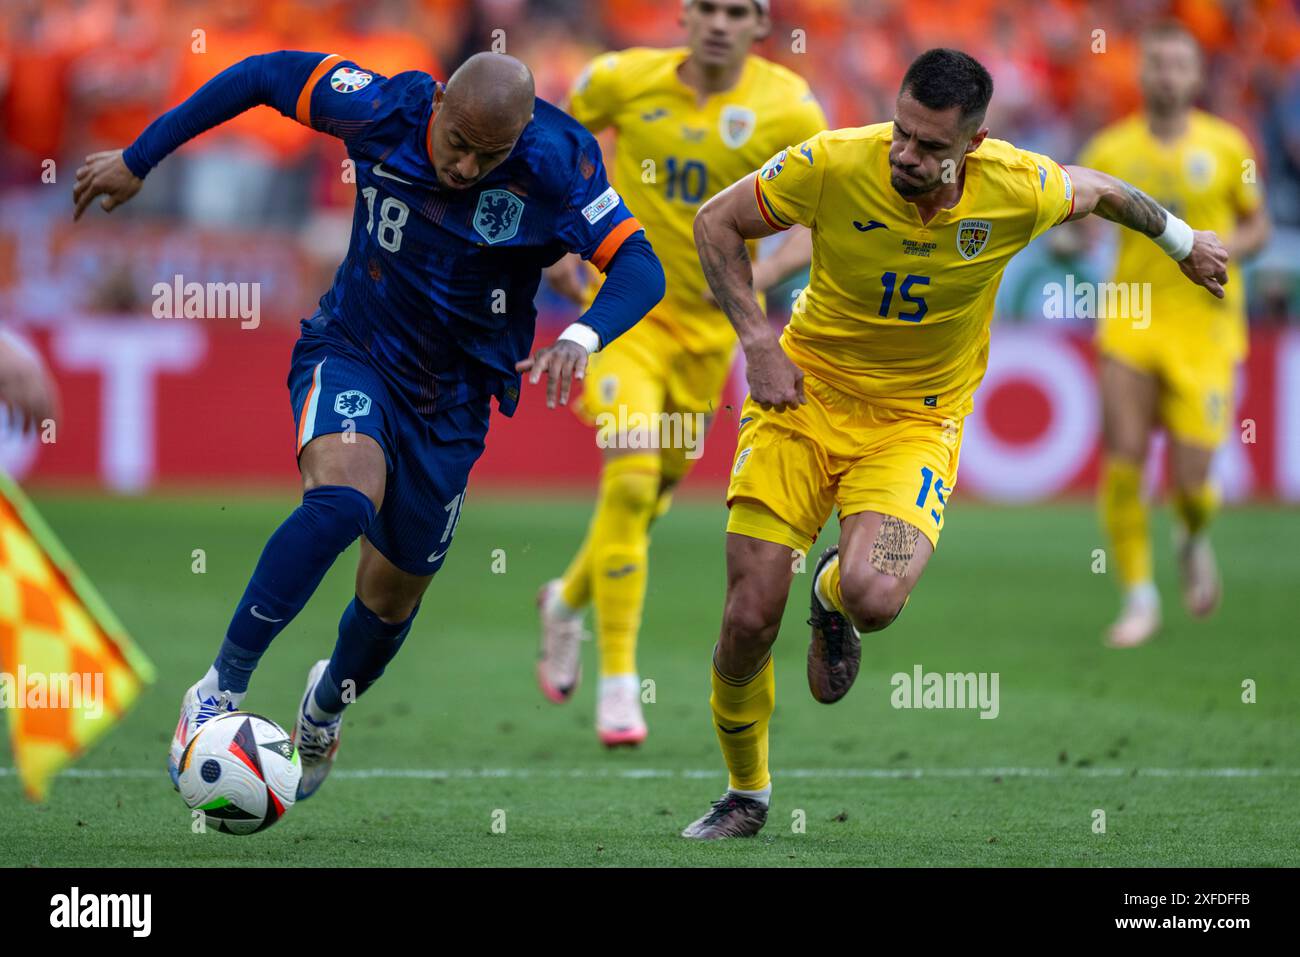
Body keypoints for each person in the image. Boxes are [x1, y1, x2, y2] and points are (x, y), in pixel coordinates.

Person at [72, 50, 665, 801]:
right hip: (354, 350)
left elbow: (641, 265)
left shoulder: (560, 161)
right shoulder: (382, 106)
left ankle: (323, 709)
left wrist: (581, 335)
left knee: (391, 600)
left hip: (454, 400)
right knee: (344, 500)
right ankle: (219, 687)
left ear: (519, 139)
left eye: (490, 154)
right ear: (440, 102)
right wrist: (138, 156)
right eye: (457, 142)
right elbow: (259, 76)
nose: (465, 166)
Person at [682, 47, 1229, 838]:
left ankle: (832, 595)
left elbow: (1105, 191)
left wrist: (1183, 243)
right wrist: (758, 343)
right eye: (902, 133)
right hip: (802, 398)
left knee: (875, 597)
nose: (906, 153)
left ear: (971, 145)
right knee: (749, 615)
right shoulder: (833, 162)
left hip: (917, 419)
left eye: (931, 146)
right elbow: (717, 222)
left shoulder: (1019, 186)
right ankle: (746, 791)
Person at [536, 0, 825, 747]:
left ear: (761, 25)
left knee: (653, 492)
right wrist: (561, 240)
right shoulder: (622, 79)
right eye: (707, 8)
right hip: (624, 314)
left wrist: (759, 273)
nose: (721, 23)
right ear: (683, 18)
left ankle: (565, 600)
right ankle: (619, 686)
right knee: (630, 476)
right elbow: (550, 146)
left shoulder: (788, 107)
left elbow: (827, 214)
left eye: (739, 11)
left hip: (708, 335)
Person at [1079, 22, 1270, 648]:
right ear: (1141, 74)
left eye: (1177, 64)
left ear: (1195, 75)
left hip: (1207, 327)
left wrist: (1219, 250)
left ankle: (1190, 538)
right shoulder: (1109, 148)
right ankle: (1138, 597)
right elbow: (1082, 226)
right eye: (1155, 63)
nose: (1165, 74)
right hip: (1130, 322)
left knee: (1193, 486)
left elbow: (1258, 226)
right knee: (1125, 460)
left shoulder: (1226, 145)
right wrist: (1068, 238)